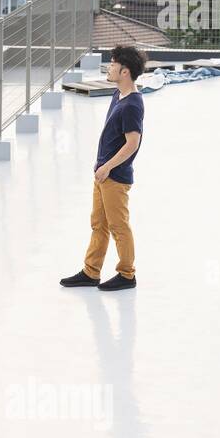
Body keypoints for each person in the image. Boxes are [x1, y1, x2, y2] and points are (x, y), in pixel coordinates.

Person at [60, 45, 146, 292]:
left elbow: (133, 143)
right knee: (98, 224)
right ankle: (91, 271)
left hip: (115, 176)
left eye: (113, 65)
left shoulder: (132, 105)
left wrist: (107, 167)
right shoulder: (117, 96)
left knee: (119, 226)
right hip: (103, 173)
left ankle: (127, 274)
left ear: (125, 71)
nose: (109, 68)